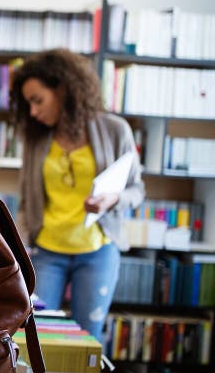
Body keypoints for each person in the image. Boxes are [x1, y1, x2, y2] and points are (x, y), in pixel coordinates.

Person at [10, 48, 145, 341]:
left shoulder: (115, 129)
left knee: (88, 340)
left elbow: (137, 190)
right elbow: (26, 201)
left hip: (98, 251)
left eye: (37, 100)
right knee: (37, 338)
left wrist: (113, 200)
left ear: (63, 89)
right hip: (46, 252)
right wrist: (19, 250)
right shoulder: (36, 138)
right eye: (28, 104)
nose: (32, 111)